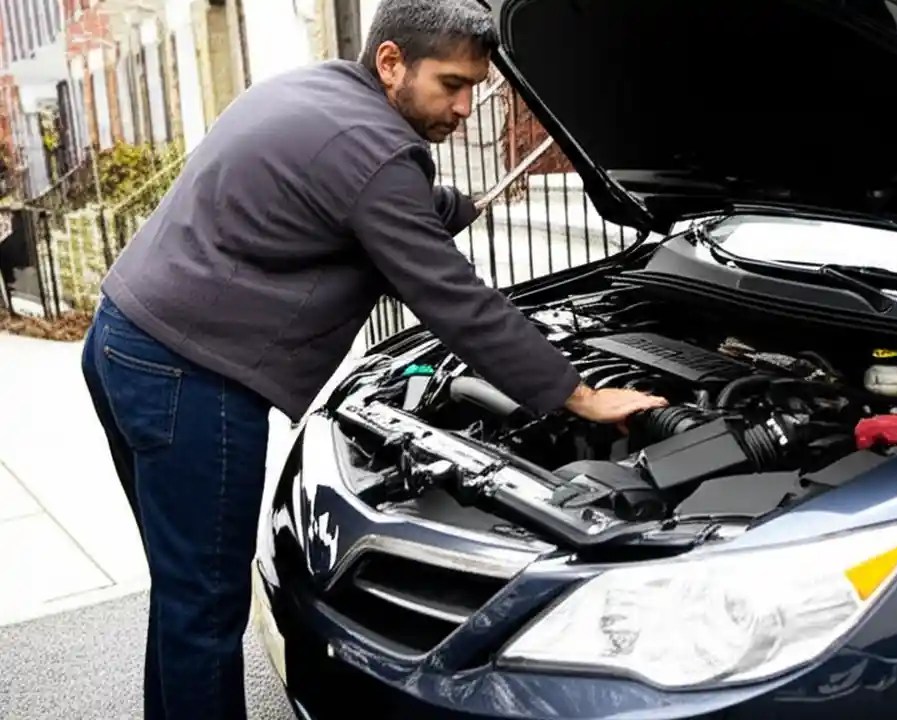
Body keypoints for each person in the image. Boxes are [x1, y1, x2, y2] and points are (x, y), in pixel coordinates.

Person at [79, 1, 668, 718]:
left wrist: (449, 203)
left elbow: (365, 191)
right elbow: (454, 300)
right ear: (391, 63)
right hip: (188, 377)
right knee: (205, 609)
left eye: (475, 88)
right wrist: (577, 394)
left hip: (124, 341)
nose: (464, 105)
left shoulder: (322, 93)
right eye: (451, 84)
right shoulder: (377, 153)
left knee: (184, 594)